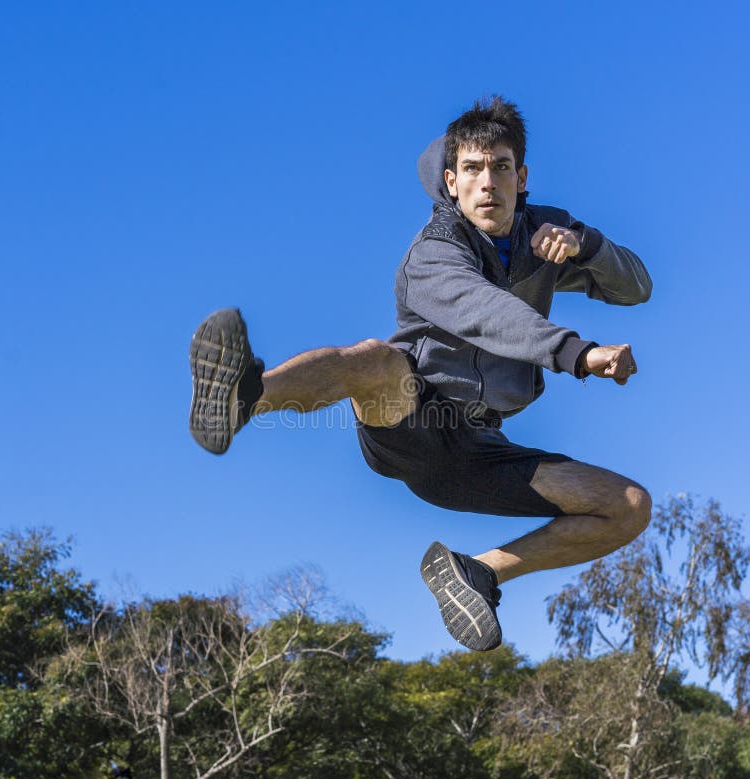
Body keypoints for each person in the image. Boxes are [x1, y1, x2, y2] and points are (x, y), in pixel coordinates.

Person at [188, 96, 653, 652]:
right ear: (451, 182)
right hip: (415, 418)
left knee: (628, 506)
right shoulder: (434, 254)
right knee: (377, 361)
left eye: (501, 168)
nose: (489, 184)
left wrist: (588, 245)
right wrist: (577, 353)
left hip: (481, 450)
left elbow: (636, 287)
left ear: (521, 177)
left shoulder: (542, 235)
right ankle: (244, 395)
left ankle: (479, 574)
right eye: (474, 170)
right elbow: (488, 312)